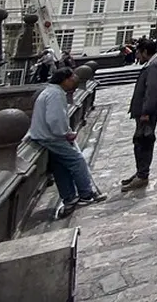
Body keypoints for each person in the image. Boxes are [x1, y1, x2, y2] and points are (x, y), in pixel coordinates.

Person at [27, 67, 106, 217]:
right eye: (72, 78)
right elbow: (55, 119)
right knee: (77, 161)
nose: (74, 81)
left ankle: (69, 197)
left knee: (60, 167)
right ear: (65, 80)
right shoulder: (55, 94)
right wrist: (66, 133)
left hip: (42, 135)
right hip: (51, 137)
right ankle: (86, 193)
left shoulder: (49, 91)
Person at [122, 37, 157, 192]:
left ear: (145, 52)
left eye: (138, 53)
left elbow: (153, 90)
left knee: (143, 142)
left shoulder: (153, 65)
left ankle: (142, 175)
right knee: (142, 141)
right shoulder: (154, 62)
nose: (137, 57)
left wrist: (146, 111)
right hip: (145, 110)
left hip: (146, 112)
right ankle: (140, 172)